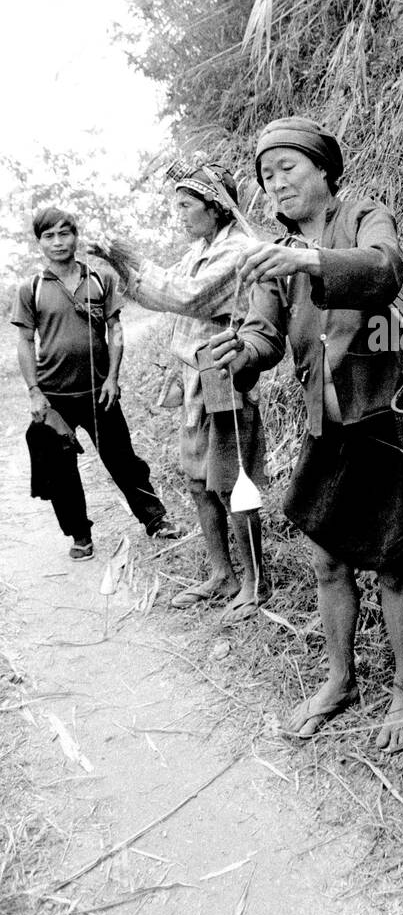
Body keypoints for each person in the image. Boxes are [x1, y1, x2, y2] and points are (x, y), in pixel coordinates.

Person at [210, 118, 403, 751]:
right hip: (328, 422)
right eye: (266, 175)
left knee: (395, 566)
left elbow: (383, 269)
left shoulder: (364, 215)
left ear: (322, 171)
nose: (276, 182)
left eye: (287, 167)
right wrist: (241, 352)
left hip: (390, 414)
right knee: (328, 557)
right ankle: (340, 678)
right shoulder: (271, 259)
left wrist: (306, 259)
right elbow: (264, 333)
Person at [94, 165, 269, 617]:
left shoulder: (239, 251)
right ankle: (222, 575)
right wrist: (122, 262)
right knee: (198, 484)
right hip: (195, 380)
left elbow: (186, 296)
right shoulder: (200, 250)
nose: (180, 215)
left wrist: (128, 256)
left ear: (214, 207)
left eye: (186, 205)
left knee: (233, 485)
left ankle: (254, 581)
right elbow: (161, 293)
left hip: (226, 376)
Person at [12, 206, 179, 560]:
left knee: (122, 459)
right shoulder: (32, 288)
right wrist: (34, 392)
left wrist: (113, 378)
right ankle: (80, 535)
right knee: (60, 471)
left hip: (99, 391)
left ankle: (155, 520)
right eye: (49, 236)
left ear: (76, 235)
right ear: (39, 242)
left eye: (64, 233)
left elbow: (116, 329)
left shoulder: (100, 279)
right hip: (54, 397)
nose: (58, 242)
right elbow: (25, 341)